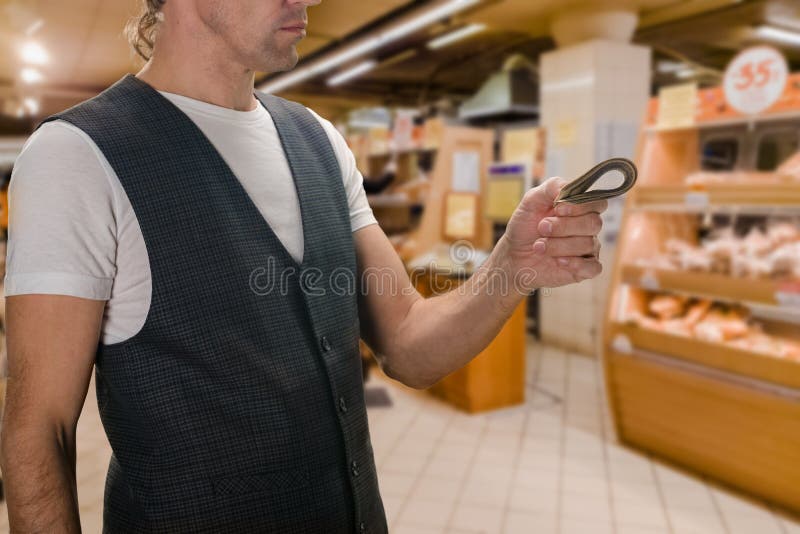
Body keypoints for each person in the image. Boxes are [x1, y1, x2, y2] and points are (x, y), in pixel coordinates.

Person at [0, 0, 607, 532]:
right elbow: (38, 430)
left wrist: (511, 268)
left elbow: (409, 344)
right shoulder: (77, 156)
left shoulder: (319, 138)